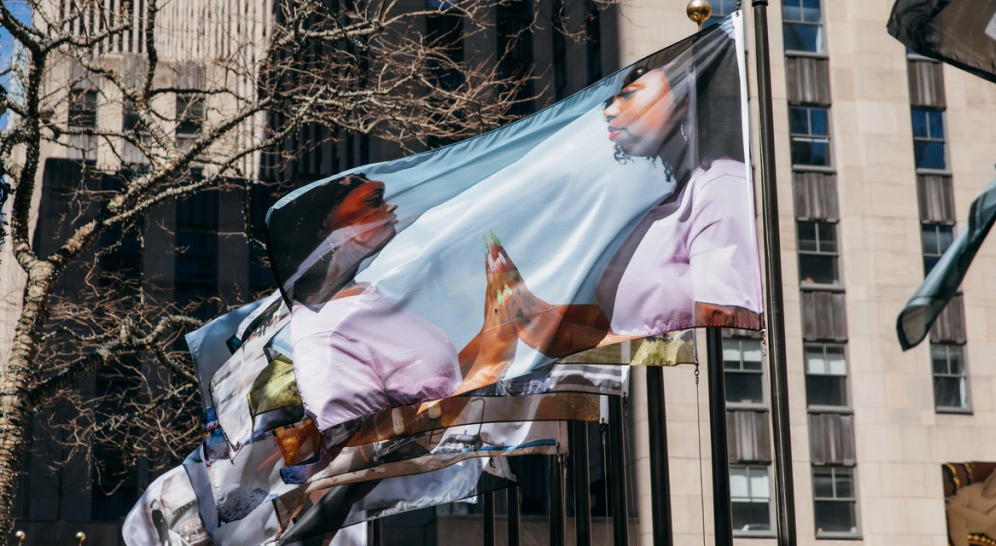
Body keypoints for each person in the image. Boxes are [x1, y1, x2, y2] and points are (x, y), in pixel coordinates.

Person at [485, 27, 763, 360]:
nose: (609, 111)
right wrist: (541, 315)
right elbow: (627, 323)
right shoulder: (667, 202)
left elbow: (725, 317)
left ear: (684, 101)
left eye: (629, 96)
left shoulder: (721, 183)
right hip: (641, 388)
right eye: (612, 99)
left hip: (699, 388)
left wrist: (569, 337)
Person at [280, 174, 520, 432]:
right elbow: (365, 444)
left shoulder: (362, 295)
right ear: (324, 226)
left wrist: (495, 326)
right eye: (375, 201)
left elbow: (436, 384)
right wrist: (490, 364)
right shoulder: (323, 336)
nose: (391, 206)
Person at [946, 453, 996, 546]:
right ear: (995, 472)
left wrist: (958, 508)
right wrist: (956, 506)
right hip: (969, 526)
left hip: (991, 527)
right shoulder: (970, 491)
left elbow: (988, 519)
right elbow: (954, 505)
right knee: (955, 514)